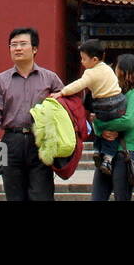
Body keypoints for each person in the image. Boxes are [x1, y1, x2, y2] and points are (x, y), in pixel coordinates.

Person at [0, 27, 63, 201]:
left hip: (41, 141)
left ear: (35, 49)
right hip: (9, 142)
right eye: (13, 45)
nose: (17, 48)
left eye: (23, 44)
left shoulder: (50, 79)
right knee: (13, 196)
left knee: (42, 195)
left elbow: (66, 108)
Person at [51, 38, 125, 176]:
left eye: (84, 59)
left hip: (103, 105)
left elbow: (78, 85)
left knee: (99, 125)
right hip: (119, 102)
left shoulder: (90, 73)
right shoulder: (108, 69)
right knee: (112, 131)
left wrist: (61, 92)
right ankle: (108, 158)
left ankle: (98, 151)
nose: (81, 62)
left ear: (95, 60)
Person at [91, 53, 134, 202]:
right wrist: (101, 129)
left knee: (122, 197)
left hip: (124, 154)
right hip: (106, 152)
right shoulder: (116, 93)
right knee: (97, 197)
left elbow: (128, 121)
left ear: (125, 71)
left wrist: (100, 124)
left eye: (117, 67)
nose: (114, 70)